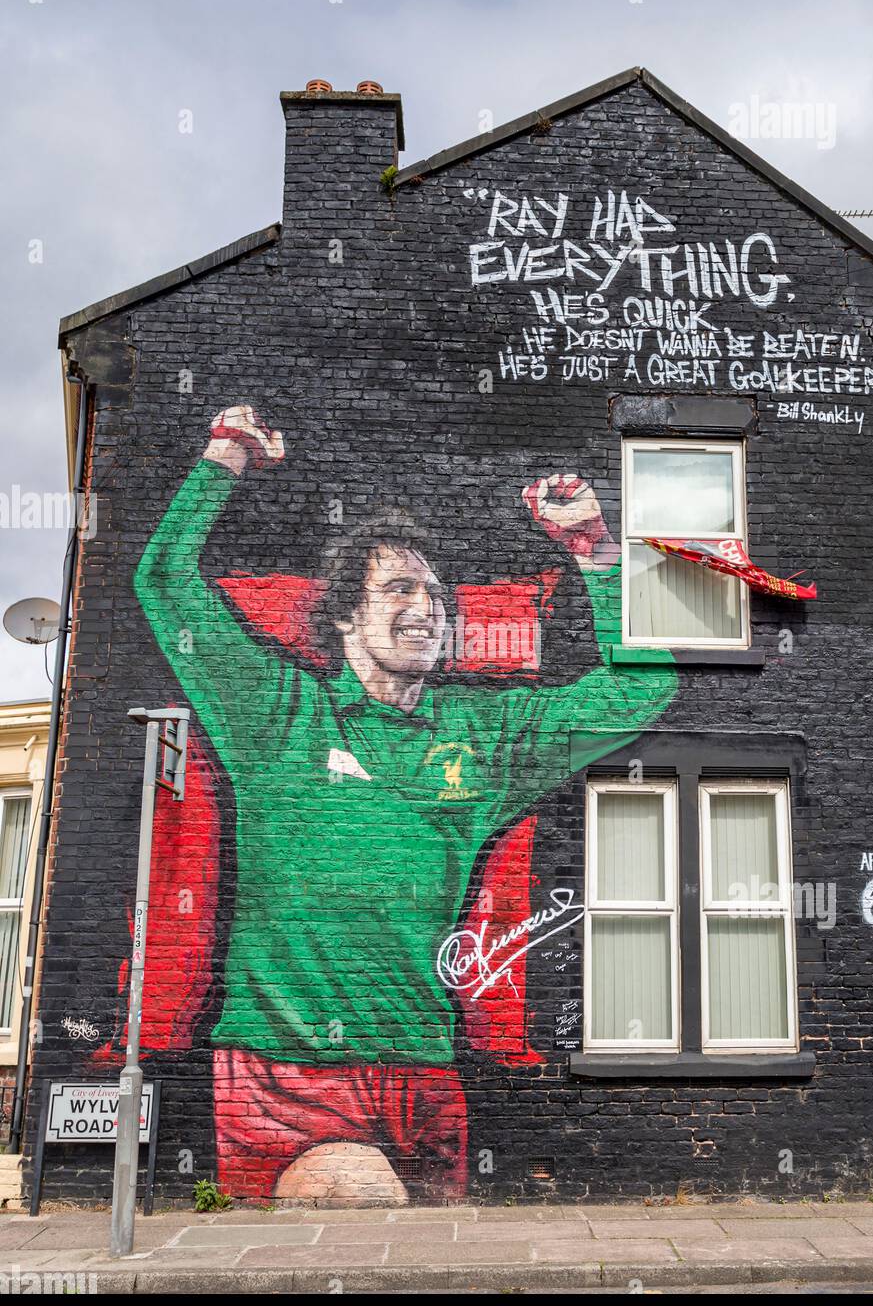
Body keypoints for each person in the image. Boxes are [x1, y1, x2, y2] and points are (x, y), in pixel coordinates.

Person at [135, 405, 676, 1203]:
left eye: (434, 593)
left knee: (423, 1249)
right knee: (367, 1206)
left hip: (426, 1069)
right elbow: (162, 581)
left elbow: (642, 688)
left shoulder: (484, 733)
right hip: (287, 1074)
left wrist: (592, 550)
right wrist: (225, 457)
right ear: (345, 615)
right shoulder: (277, 711)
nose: (425, 606)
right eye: (397, 588)